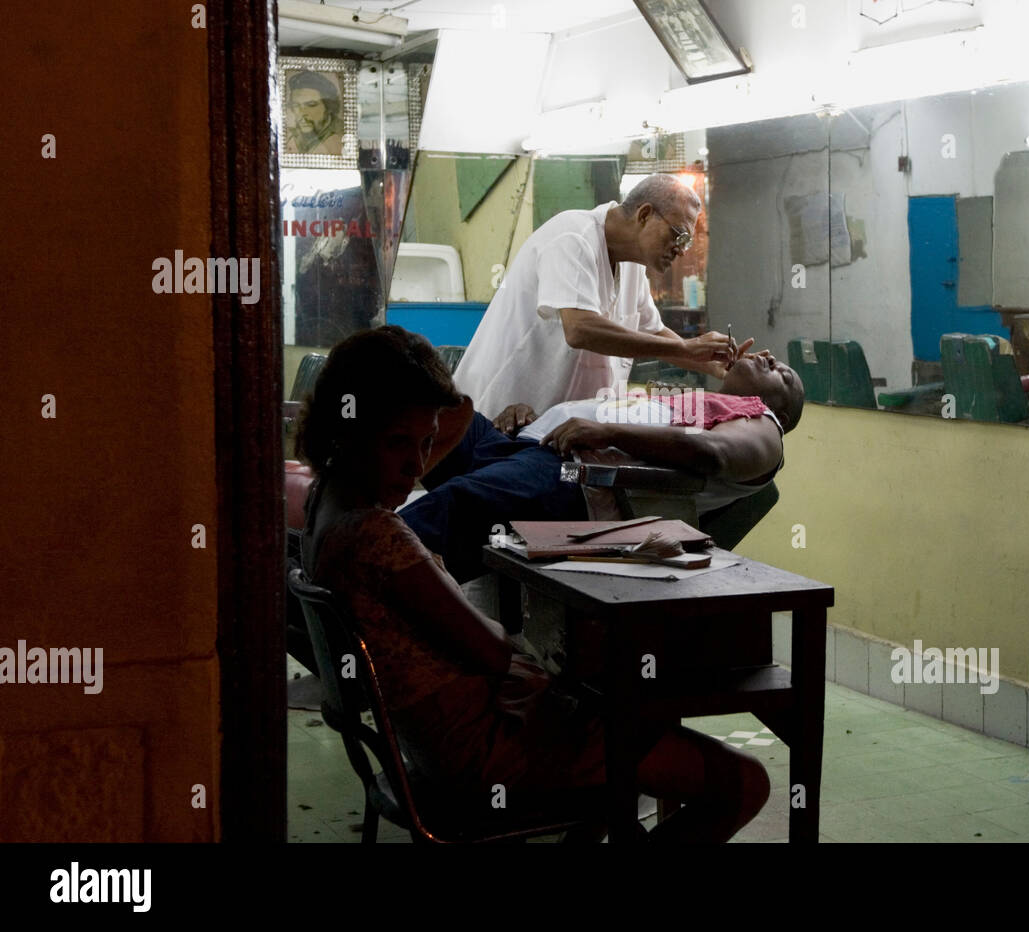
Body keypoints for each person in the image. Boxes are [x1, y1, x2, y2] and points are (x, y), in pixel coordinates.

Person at [296, 325, 769, 842]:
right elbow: (492, 650)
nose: (415, 466)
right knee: (743, 781)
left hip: (440, 743)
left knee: (607, 713)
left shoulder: (325, 507)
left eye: (427, 443)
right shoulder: (377, 537)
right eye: (396, 443)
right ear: (348, 429)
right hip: (491, 755)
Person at [399, 347, 804, 585]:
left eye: (785, 376)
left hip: (573, 475)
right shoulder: (695, 403)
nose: (770, 357)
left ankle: (351, 570)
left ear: (781, 415)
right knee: (427, 395)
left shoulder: (764, 427)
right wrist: (533, 417)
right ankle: (349, 498)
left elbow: (715, 453)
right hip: (525, 448)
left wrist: (607, 432)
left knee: (456, 505)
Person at [451, 174, 755, 431]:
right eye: (678, 236)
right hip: (490, 420)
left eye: (686, 242)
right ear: (645, 214)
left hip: (543, 431)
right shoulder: (573, 237)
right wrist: (685, 348)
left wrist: (712, 363)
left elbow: (653, 333)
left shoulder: (633, 268)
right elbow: (580, 329)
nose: (681, 251)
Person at [286, 70, 344, 156]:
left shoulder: (342, 137)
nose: (302, 113)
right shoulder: (290, 136)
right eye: (296, 105)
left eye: (311, 105)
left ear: (328, 107)